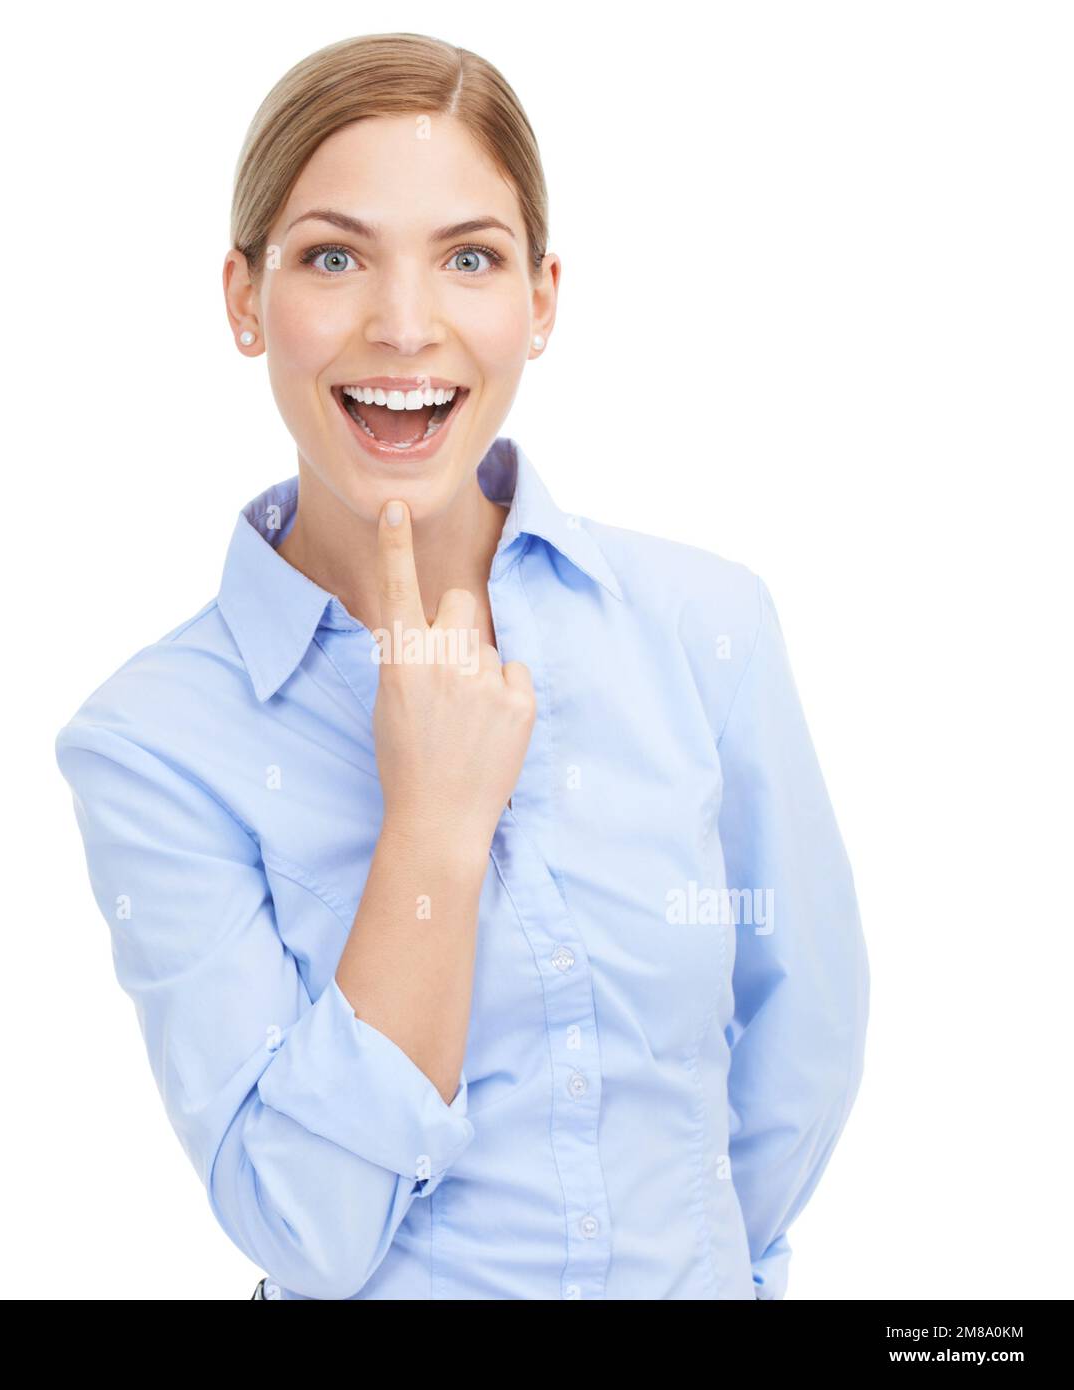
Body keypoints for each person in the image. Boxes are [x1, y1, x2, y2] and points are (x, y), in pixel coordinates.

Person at [54, 32, 870, 1301]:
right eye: (334, 256)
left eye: (470, 258)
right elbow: (309, 1229)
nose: (403, 325)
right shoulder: (154, 740)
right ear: (242, 298)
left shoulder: (706, 626)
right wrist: (431, 830)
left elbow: (802, 1041)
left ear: (540, 299)